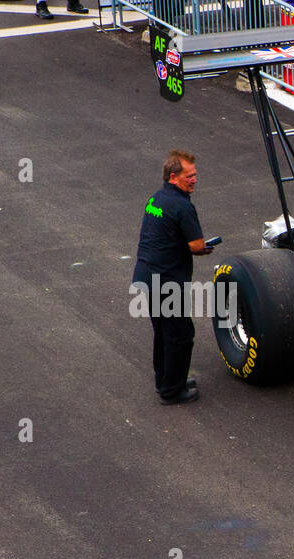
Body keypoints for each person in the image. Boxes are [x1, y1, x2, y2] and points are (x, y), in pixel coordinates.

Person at [132, 150, 214, 405]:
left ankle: (166, 381)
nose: (194, 180)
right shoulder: (182, 206)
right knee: (180, 335)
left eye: (195, 175)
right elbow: (196, 245)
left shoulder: (155, 199)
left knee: (163, 332)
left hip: (146, 275)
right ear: (173, 176)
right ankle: (172, 391)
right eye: (189, 176)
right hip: (167, 281)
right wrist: (205, 248)